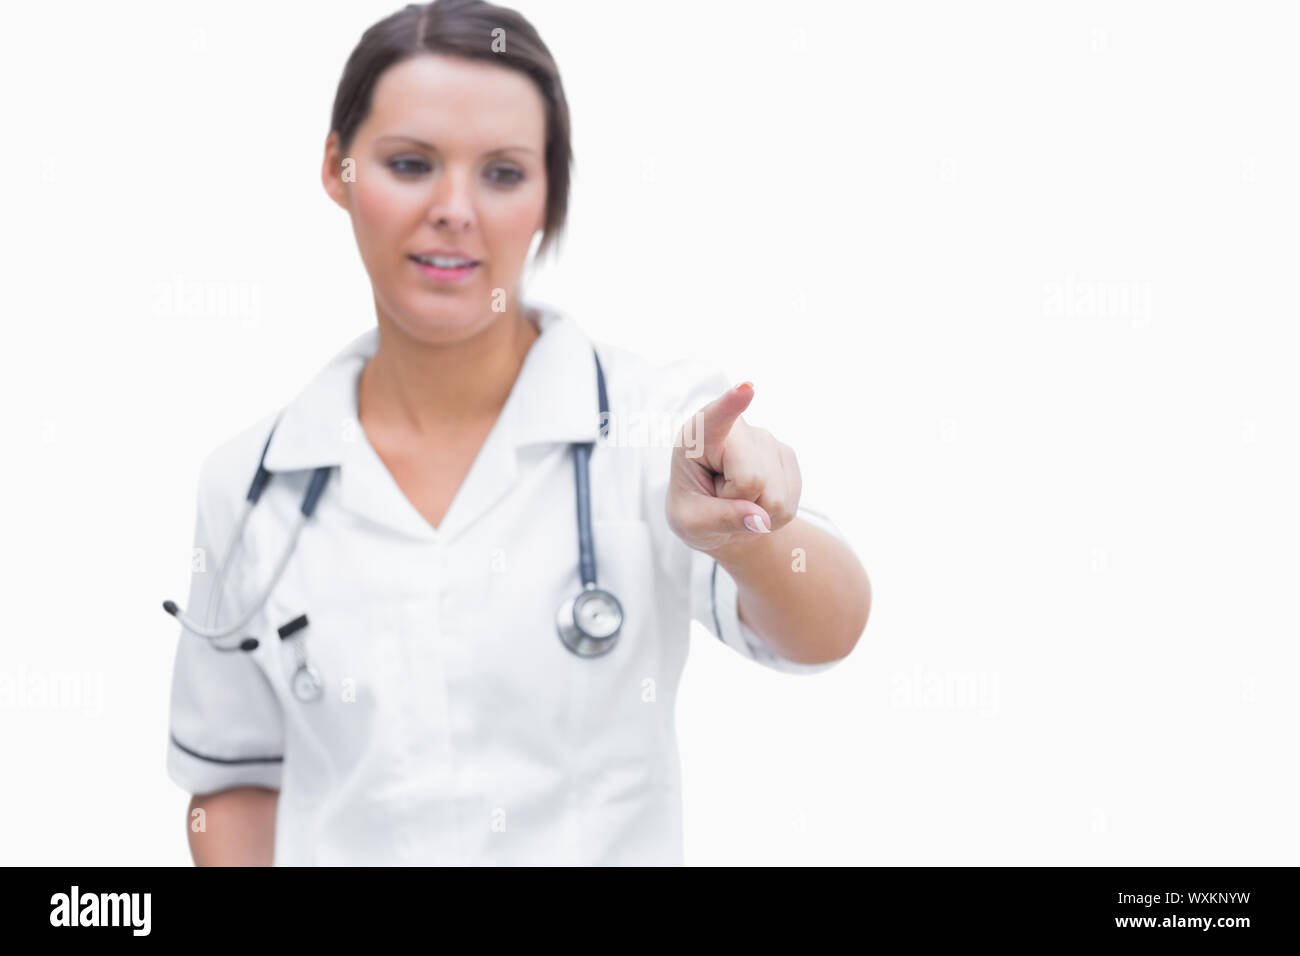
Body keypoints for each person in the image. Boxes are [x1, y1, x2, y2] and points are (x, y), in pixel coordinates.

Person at [165, 0, 872, 866]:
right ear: (337, 169)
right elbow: (233, 779)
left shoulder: (657, 429)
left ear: (549, 192)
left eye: (503, 173)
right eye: (411, 163)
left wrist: (755, 530)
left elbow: (830, 628)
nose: (454, 209)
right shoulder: (251, 482)